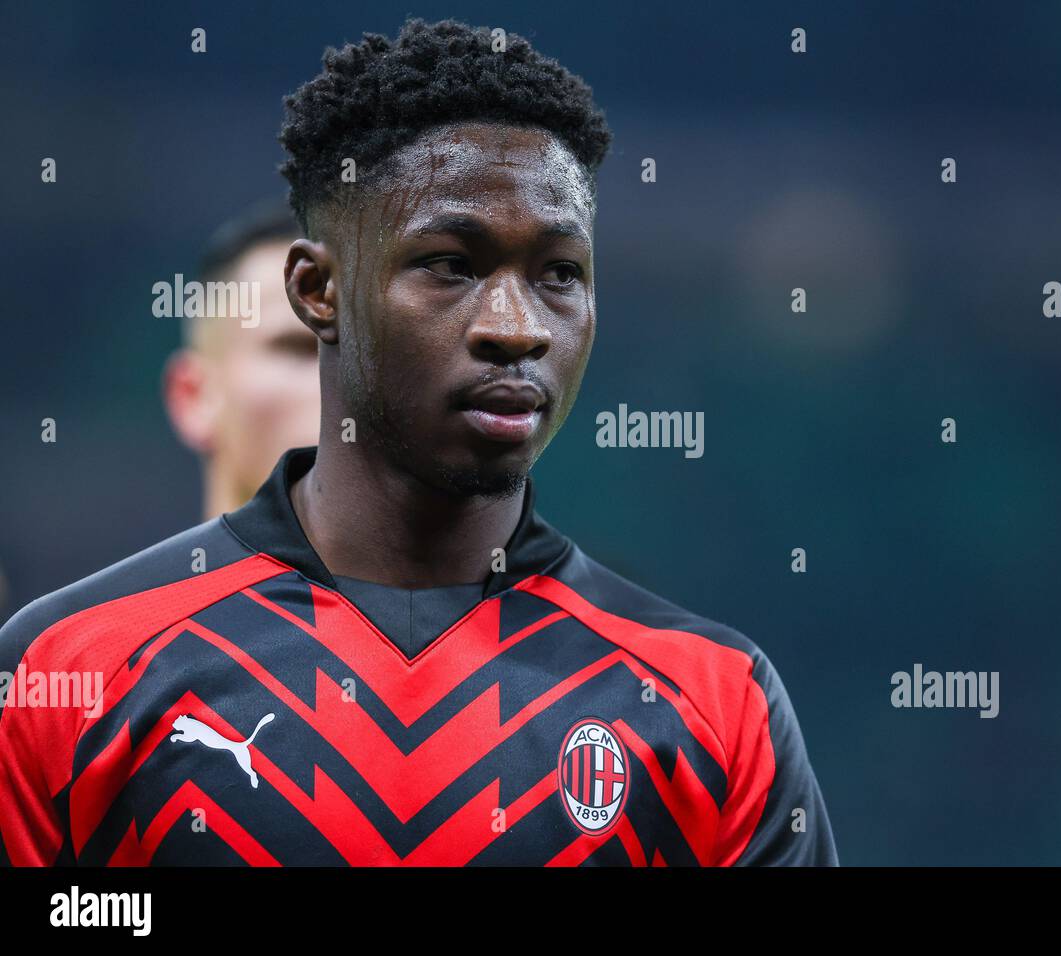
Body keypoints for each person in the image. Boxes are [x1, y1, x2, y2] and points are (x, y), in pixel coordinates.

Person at [0, 18, 837, 866]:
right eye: (450, 264)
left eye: (559, 275)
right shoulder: (67, 673)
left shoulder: (713, 704)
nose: (517, 329)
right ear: (318, 290)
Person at [163, 202, 320, 519]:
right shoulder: (142, 571)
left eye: (368, 352)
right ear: (194, 395)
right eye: (301, 348)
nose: (347, 381)